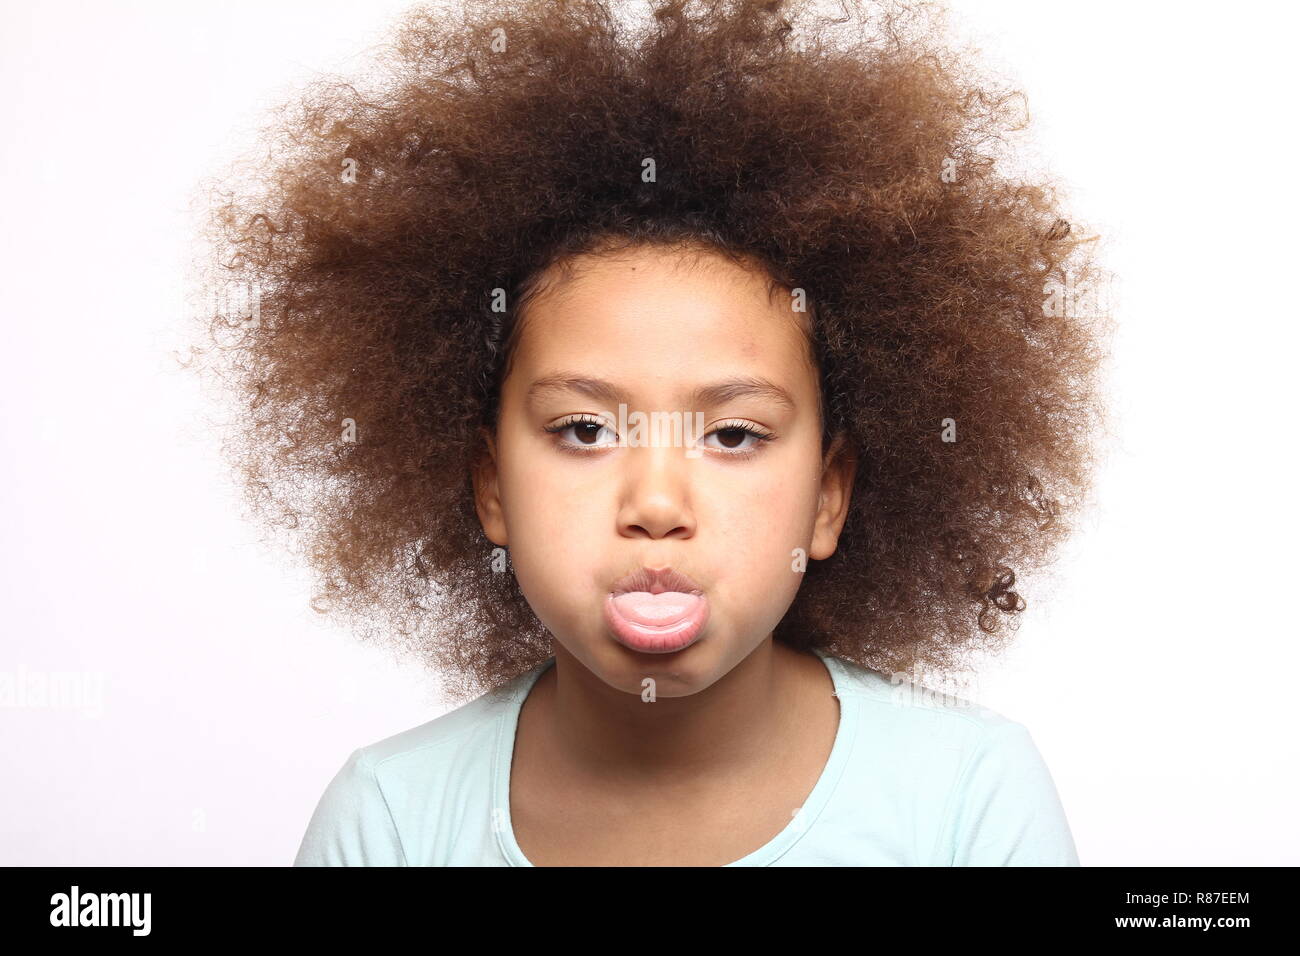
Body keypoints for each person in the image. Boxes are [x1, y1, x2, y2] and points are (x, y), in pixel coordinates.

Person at [190, 0, 1110, 865]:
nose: (658, 504)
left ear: (827, 497)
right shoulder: (389, 821)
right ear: (492, 486)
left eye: (736, 435)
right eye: (586, 429)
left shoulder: (965, 801)